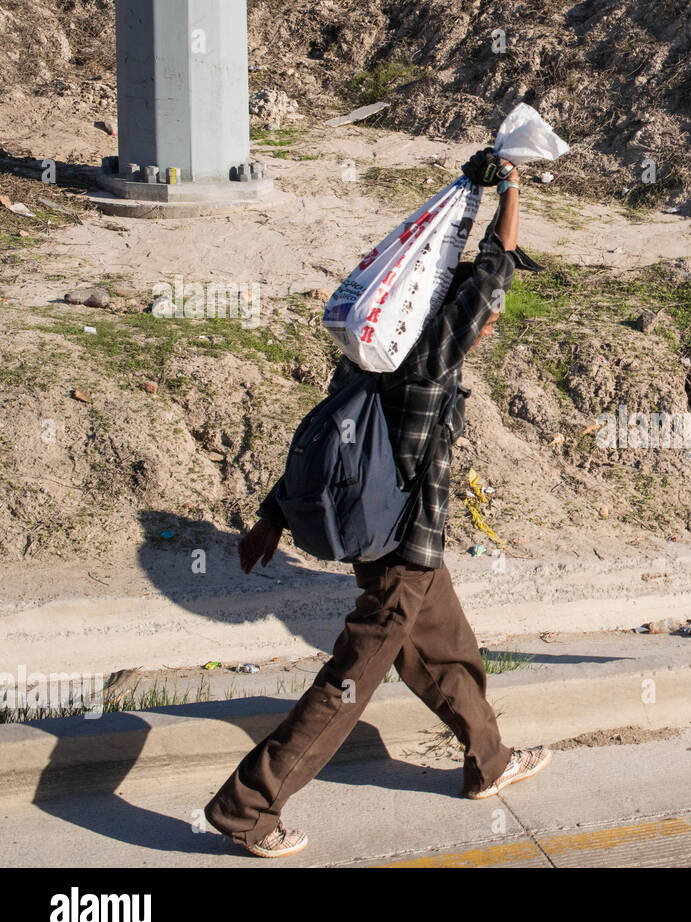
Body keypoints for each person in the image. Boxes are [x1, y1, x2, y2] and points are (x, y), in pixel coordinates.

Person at [204, 148, 551, 859]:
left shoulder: (372, 357)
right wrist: (511, 185)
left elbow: (333, 431)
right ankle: (248, 806)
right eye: (485, 319)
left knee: (448, 652)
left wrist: (272, 514)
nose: (491, 323)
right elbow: (493, 268)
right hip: (400, 554)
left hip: (398, 548)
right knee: (346, 685)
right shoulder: (428, 361)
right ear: (455, 317)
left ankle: (488, 759)